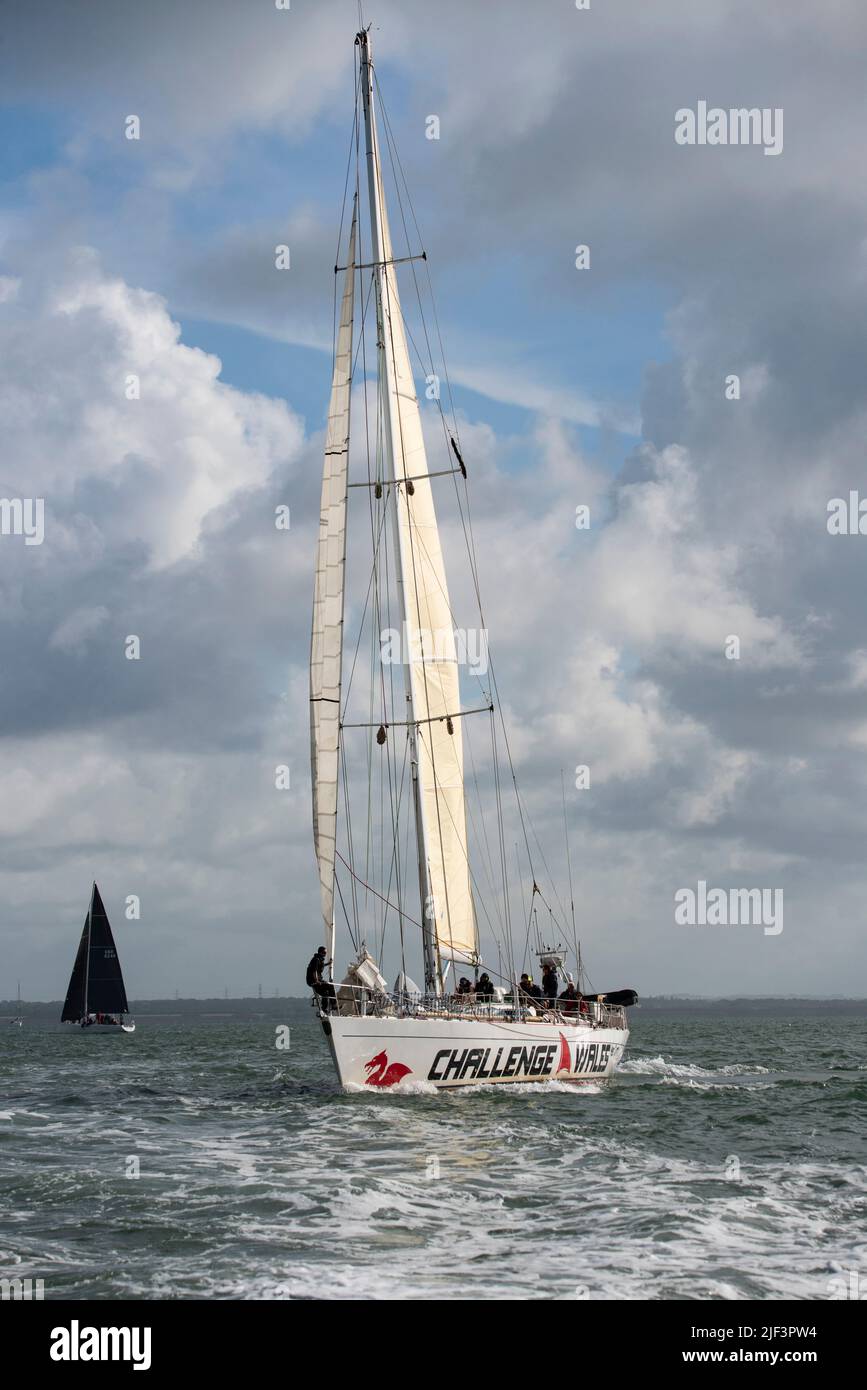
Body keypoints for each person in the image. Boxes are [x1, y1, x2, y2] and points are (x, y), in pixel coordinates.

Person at [306, 946, 336, 1014]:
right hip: (314, 981)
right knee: (330, 986)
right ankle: (334, 1005)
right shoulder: (316, 959)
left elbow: (320, 966)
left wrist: (328, 963)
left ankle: (324, 1009)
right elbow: (314, 970)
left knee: (325, 993)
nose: (325, 954)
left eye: (326, 953)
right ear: (320, 952)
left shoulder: (318, 959)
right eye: (324, 952)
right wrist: (317, 980)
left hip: (316, 980)